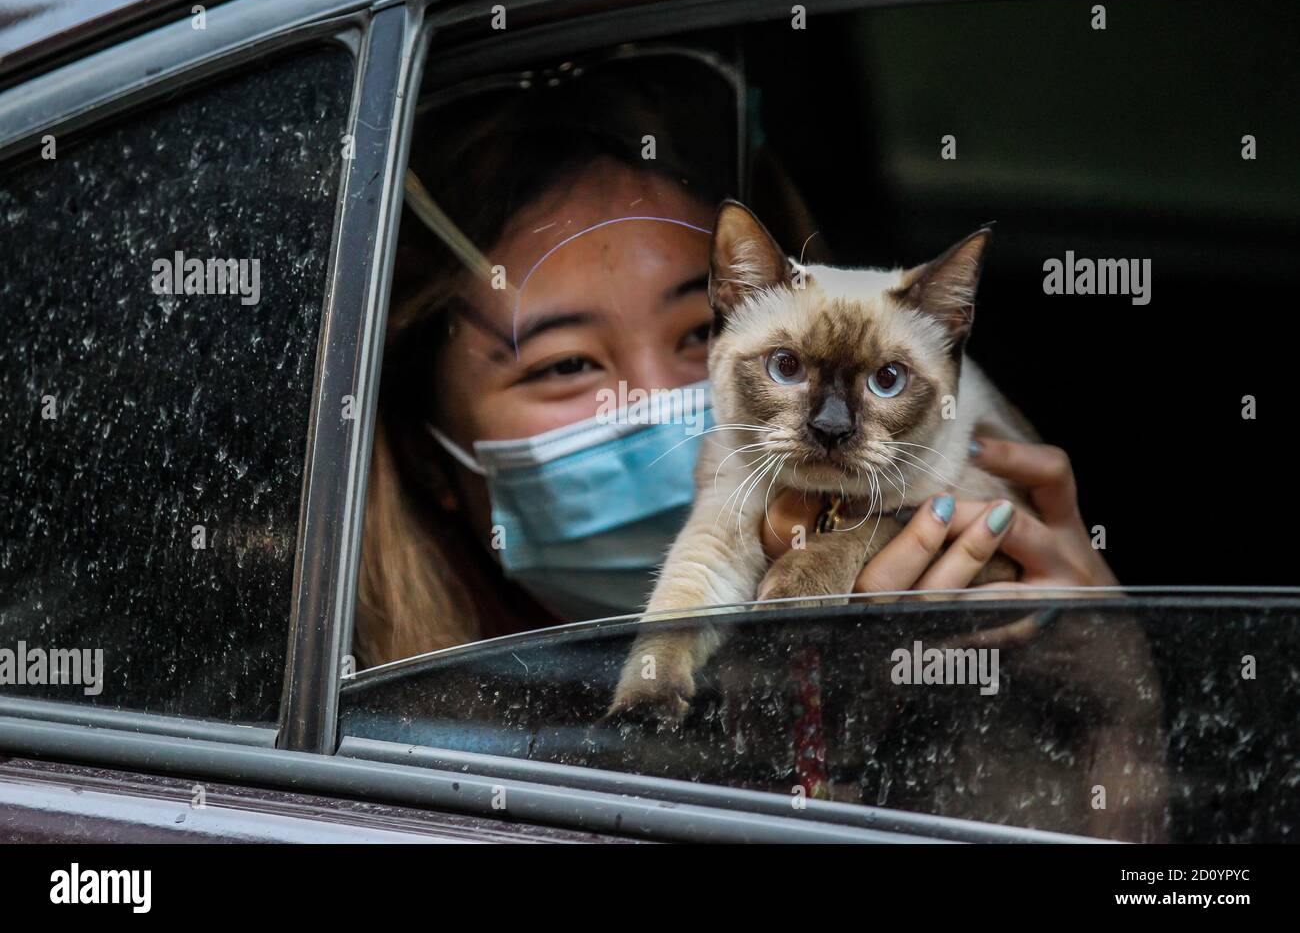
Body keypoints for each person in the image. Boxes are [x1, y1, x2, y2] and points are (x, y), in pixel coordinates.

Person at [355, 51, 1114, 669]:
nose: (653, 401)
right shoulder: (383, 727)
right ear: (426, 456)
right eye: (565, 366)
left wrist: (1110, 668)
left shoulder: (927, 469)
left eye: (696, 334)